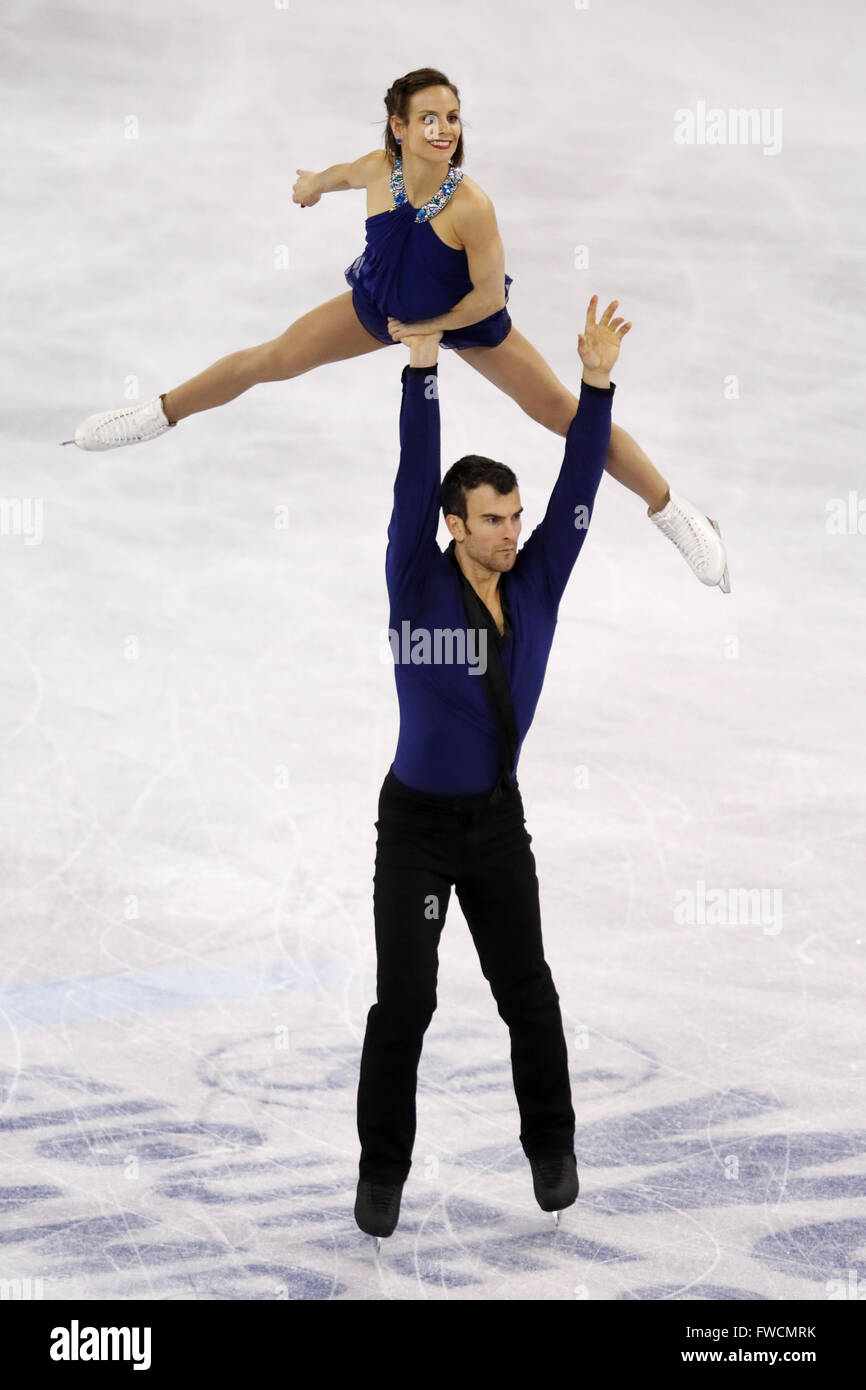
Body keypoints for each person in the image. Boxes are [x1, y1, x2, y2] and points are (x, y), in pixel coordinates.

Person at [65, 68, 729, 591]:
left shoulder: (472, 207)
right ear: (399, 127)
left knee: (566, 415)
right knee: (272, 357)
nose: (444, 128)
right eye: (430, 118)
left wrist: (430, 332)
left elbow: (486, 296)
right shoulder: (378, 170)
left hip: (468, 323)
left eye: (453, 117)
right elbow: (335, 176)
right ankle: (155, 414)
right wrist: (311, 186)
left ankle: (676, 513)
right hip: (381, 306)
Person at [354, 293, 629, 1240]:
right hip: (420, 832)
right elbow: (411, 474)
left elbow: (581, 493)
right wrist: (422, 372)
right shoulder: (414, 577)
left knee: (530, 994)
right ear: (454, 525)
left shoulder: (538, 581)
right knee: (406, 1005)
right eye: (492, 519)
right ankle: (383, 1171)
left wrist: (594, 389)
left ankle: (552, 1147)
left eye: (514, 516)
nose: (512, 532)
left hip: (496, 826)